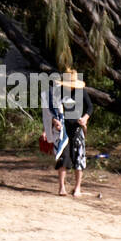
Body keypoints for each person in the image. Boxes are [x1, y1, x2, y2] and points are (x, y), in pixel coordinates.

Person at [45, 68, 89, 196]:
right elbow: (50, 111)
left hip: (77, 128)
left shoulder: (81, 92)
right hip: (62, 130)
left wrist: (85, 118)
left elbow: (90, 107)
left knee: (79, 158)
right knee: (63, 157)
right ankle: (61, 187)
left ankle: (77, 188)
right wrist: (55, 121)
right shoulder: (57, 94)